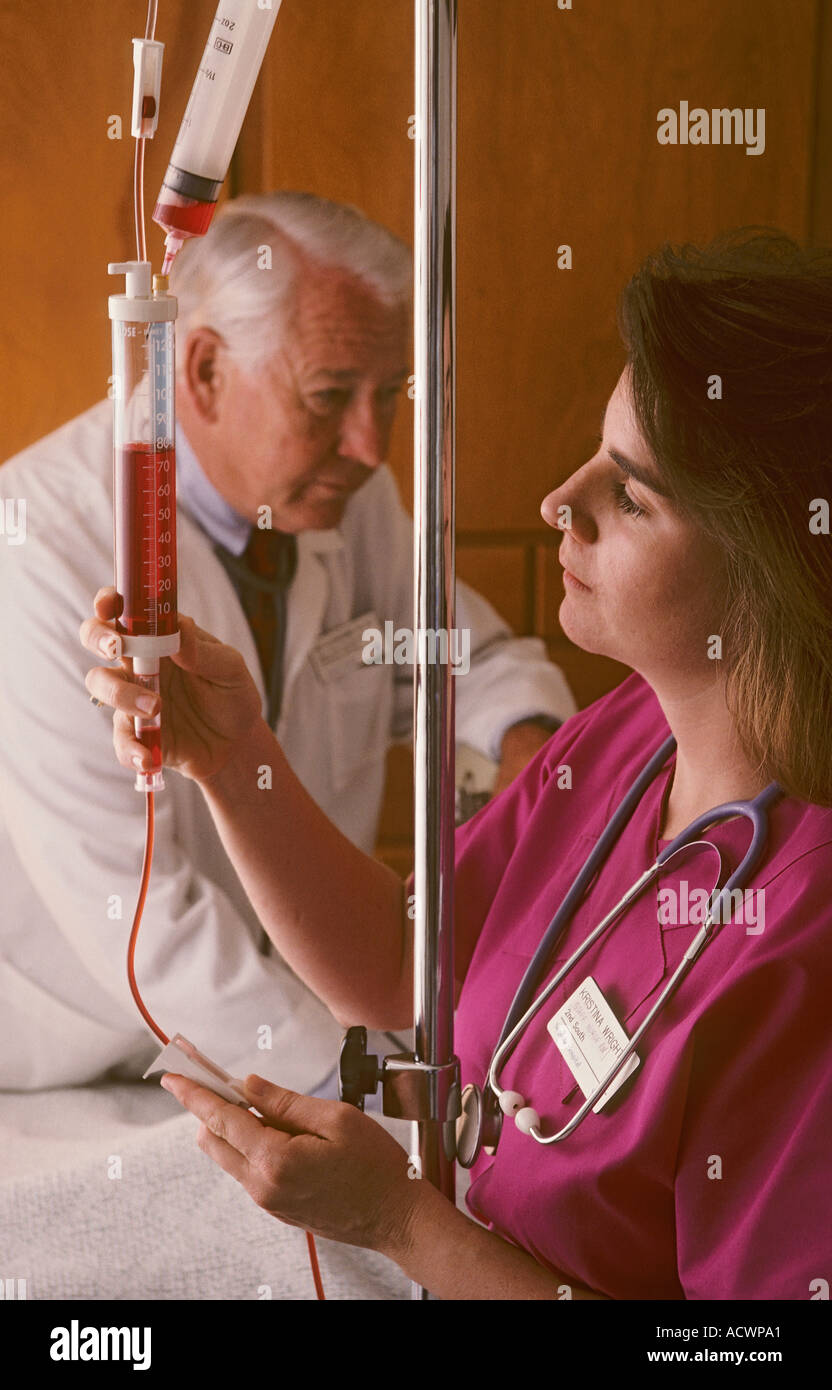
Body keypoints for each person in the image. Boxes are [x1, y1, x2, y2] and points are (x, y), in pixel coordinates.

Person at [83, 226, 832, 1299]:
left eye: (628, 495)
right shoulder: (624, 737)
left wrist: (396, 1218)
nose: (556, 503)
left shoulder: (803, 947)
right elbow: (401, 963)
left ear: (773, 567)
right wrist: (229, 752)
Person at [0, 192, 574, 1094]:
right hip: (90, 1062)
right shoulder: (36, 544)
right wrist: (360, 1092)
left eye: (387, 396)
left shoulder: (346, 496)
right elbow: (143, 925)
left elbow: (473, 659)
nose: (371, 444)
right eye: (329, 396)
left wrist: (534, 762)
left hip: (312, 1010)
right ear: (203, 371)